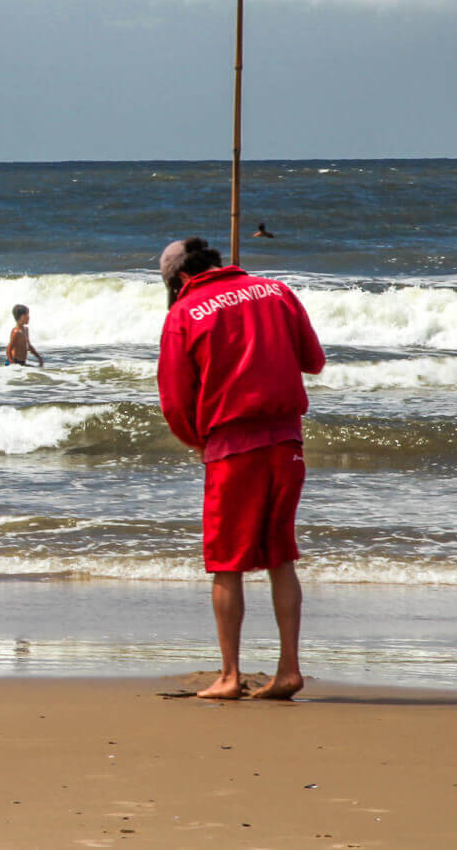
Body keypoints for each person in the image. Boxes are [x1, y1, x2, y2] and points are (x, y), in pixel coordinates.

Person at [156, 236, 325, 700]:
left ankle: (229, 676)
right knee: (280, 557)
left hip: (232, 447)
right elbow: (314, 360)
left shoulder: (184, 314)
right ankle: (288, 669)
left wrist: (198, 441)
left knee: (226, 563)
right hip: (287, 439)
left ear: (183, 279)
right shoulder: (275, 290)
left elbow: (174, 401)